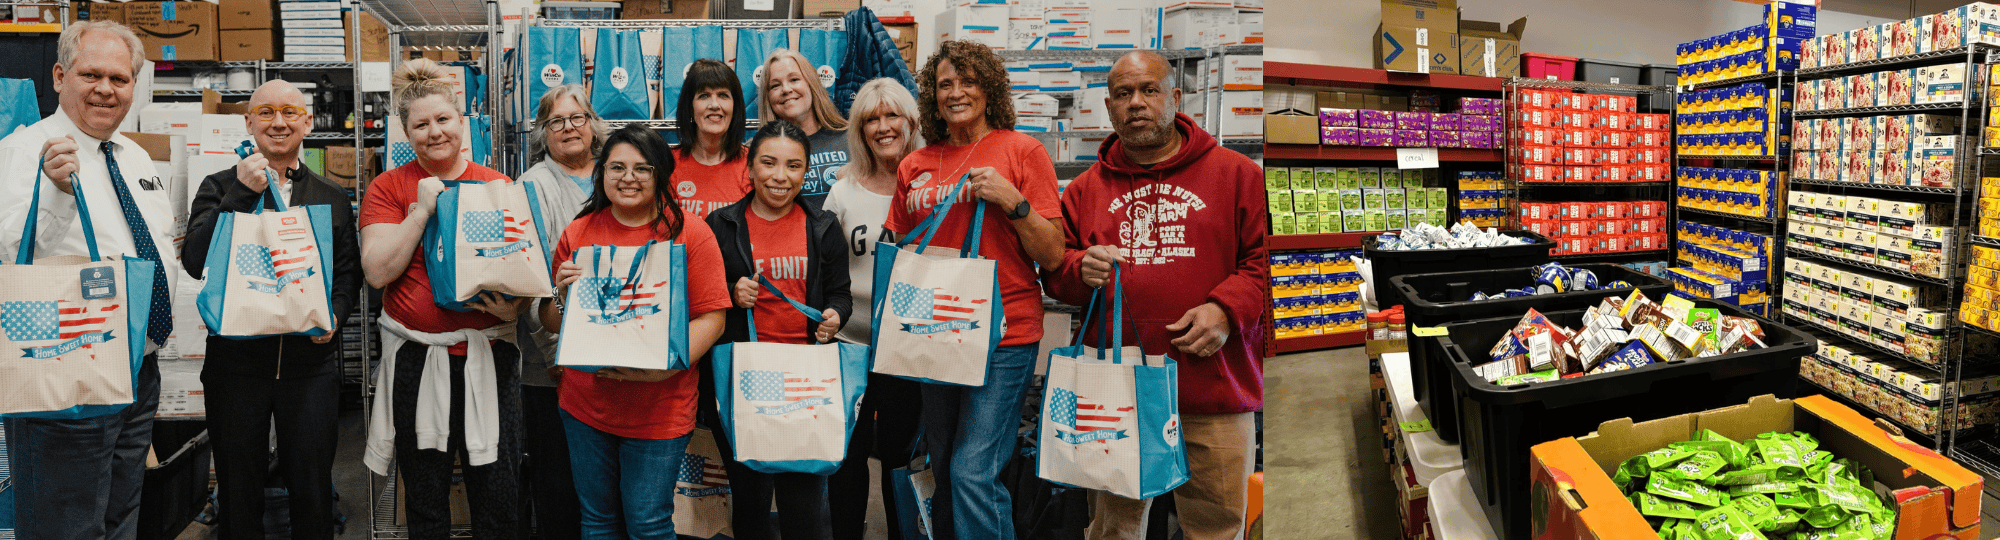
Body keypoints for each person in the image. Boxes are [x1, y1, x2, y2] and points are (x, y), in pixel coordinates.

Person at [1043, 51, 1269, 540]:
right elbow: (1057, 275)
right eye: (1123, 94)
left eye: (1149, 90)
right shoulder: (1083, 190)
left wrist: (1226, 310)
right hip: (1113, 393)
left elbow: (1264, 264)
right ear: (1108, 107)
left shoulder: (1237, 175)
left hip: (1214, 386)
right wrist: (1083, 268)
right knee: (1112, 529)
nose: (1137, 103)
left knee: (1217, 528)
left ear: (1176, 98)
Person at [0, 20, 184, 540]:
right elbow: (10, 257)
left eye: (120, 79)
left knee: (119, 519)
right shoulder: (22, 153)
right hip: (65, 371)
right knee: (65, 527)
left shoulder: (136, 157)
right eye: (91, 75)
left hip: (137, 373)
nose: (106, 89)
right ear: (59, 76)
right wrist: (54, 193)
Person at [885, 40, 1065, 540]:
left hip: (1003, 336)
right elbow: (903, 249)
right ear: (932, 95)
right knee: (943, 466)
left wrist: (1013, 201)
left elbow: (1052, 253)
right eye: (945, 84)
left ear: (989, 89)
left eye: (968, 81)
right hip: (934, 333)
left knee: (973, 471)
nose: (956, 92)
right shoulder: (914, 163)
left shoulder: (1021, 150)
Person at [179, 79, 362, 540]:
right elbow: (195, 259)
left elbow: (346, 274)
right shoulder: (219, 186)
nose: (277, 122)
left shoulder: (331, 196)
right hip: (236, 368)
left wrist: (335, 317)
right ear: (248, 122)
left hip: (310, 369)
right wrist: (240, 193)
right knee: (240, 495)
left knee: (313, 491)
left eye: (289, 112)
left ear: (307, 121)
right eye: (265, 112)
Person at [359, 58, 528, 540]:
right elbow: (377, 272)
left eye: (443, 120)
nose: (434, 132)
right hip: (417, 360)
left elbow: (520, 270)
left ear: (462, 122)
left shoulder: (496, 185)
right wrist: (421, 211)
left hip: (488, 357)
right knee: (426, 493)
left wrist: (512, 308)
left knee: (497, 491)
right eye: (421, 125)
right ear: (406, 133)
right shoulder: (388, 188)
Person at [536, 124, 731, 540]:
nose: (628, 177)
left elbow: (713, 317)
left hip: (660, 408)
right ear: (601, 173)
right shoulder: (580, 231)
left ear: (661, 174)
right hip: (586, 406)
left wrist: (666, 367)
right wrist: (561, 296)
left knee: (648, 522)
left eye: (642, 168)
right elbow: (550, 320)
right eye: (617, 167)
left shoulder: (691, 234)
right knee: (597, 520)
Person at [702, 120, 851, 540]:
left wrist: (834, 317)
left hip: (806, 384)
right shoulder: (721, 226)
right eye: (768, 163)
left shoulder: (823, 227)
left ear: (806, 172)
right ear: (749, 167)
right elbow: (699, 299)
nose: (779, 176)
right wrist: (731, 294)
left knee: (804, 508)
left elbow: (840, 294)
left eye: (792, 166)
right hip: (744, 382)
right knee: (748, 505)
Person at [823, 78, 925, 540]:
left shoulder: (929, 184)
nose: (883, 127)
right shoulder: (844, 189)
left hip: (908, 351)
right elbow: (824, 264)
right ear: (860, 130)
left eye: (892, 116)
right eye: (871, 119)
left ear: (912, 121)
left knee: (900, 458)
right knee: (847, 456)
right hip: (851, 345)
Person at [513, 83, 610, 540]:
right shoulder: (532, 186)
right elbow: (530, 278)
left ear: (593, 124)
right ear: (543, 134)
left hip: (613, 365)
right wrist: (557, 354)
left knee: (604, 490)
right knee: (559, 487)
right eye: (556, 121)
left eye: (577, 118)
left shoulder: (616, 173)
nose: (569, 128)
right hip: (555, 370)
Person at [759, 48, 849, 207]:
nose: (786, 89)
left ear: (811, 84)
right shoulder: (759, 152)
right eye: (775, 86)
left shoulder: (852, 138)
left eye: (794, 79)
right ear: (768, 98)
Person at [671, 58, 751, 219]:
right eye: (704, 96)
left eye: (723, 95)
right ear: (690, 107)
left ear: (735, 107)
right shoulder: (668, 163)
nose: (714, 104)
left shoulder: (752, 164)